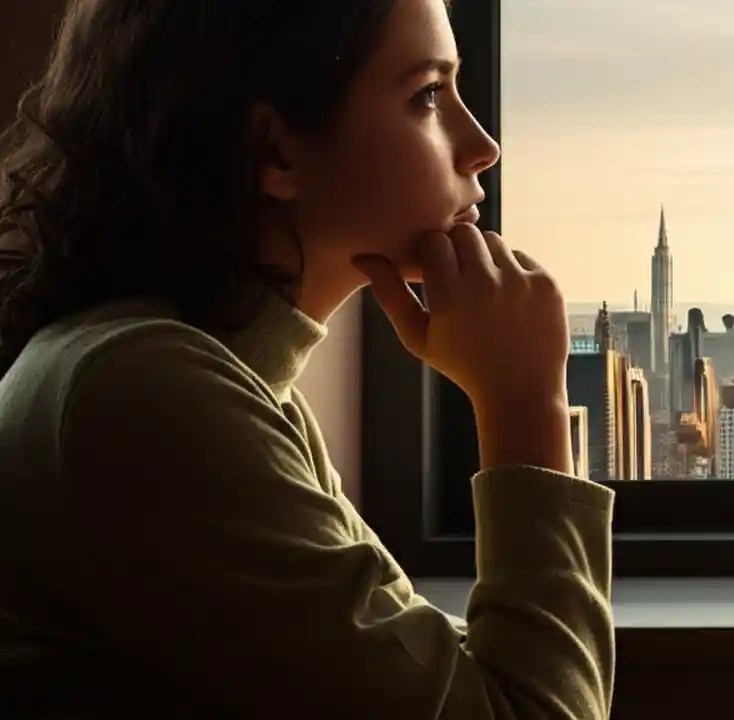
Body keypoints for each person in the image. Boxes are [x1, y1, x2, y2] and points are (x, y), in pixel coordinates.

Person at [0, 0, 615, 716]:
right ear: (277, 153)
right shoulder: (144, 395)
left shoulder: (209, 383)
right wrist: (525, 404)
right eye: (427, 95)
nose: (482, 146)